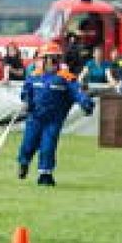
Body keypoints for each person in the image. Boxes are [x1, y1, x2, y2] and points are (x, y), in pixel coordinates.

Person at [16, 41, 95, 187]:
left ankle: (45, 174)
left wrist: (86, 104)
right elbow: (26, 91)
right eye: (47, 58)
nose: (50, 62)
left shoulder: (66, 77)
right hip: (34, 118)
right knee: (28, 144)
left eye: (54, 58)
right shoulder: (34, 76)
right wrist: (26, 102)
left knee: (48, 146)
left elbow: (77, 93)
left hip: (53, 121)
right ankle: (24, 162)